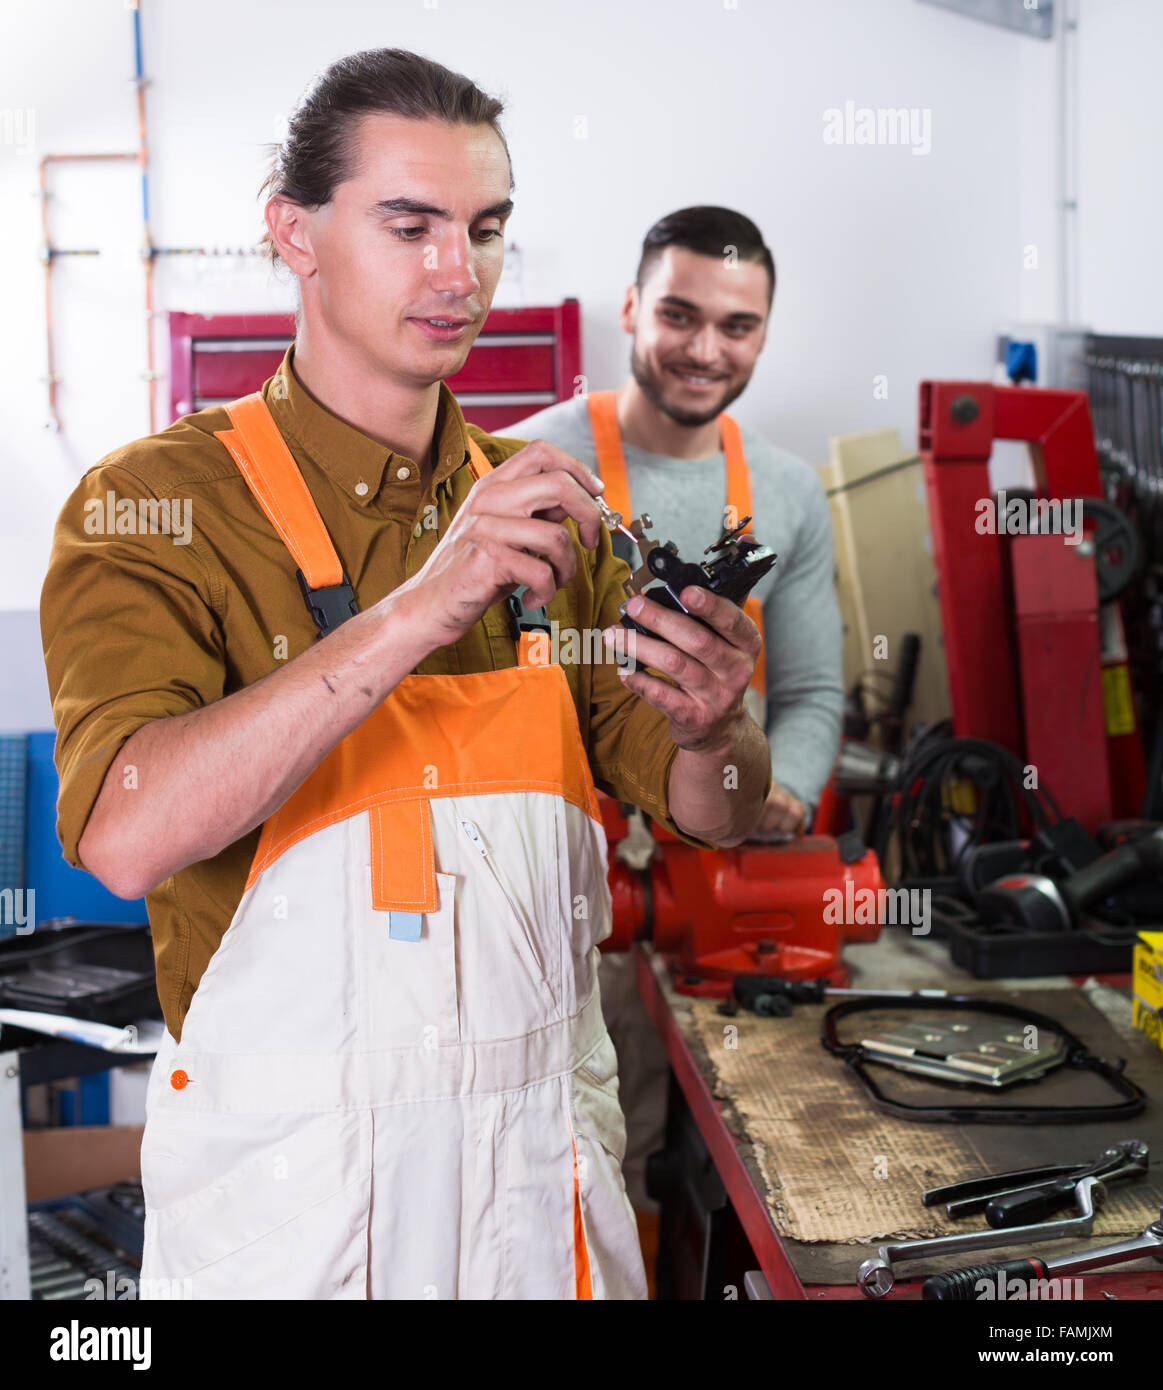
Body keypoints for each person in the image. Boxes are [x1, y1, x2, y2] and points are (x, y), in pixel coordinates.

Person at [38, 49, 772, 1301]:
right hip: (295, 1226)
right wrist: (420, 608)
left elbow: (714, 808)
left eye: (485, 230)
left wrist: (717, 724)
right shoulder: (152, 505)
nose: (458, 272)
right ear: (296, 232)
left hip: (543, 1204)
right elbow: (124, 834)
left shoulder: (549, 512)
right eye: (410, 224)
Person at [508, 207, 844, 1216]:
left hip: (708, 884)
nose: (705, 349)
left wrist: (780, 788)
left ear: (763, 333)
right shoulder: (526, 465)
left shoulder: (784, 492)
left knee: (698, 1161)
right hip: (557, 884)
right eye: (679, 315)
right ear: (630, 309)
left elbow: (815, 691)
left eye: (735, 326)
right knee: (567, 1168)